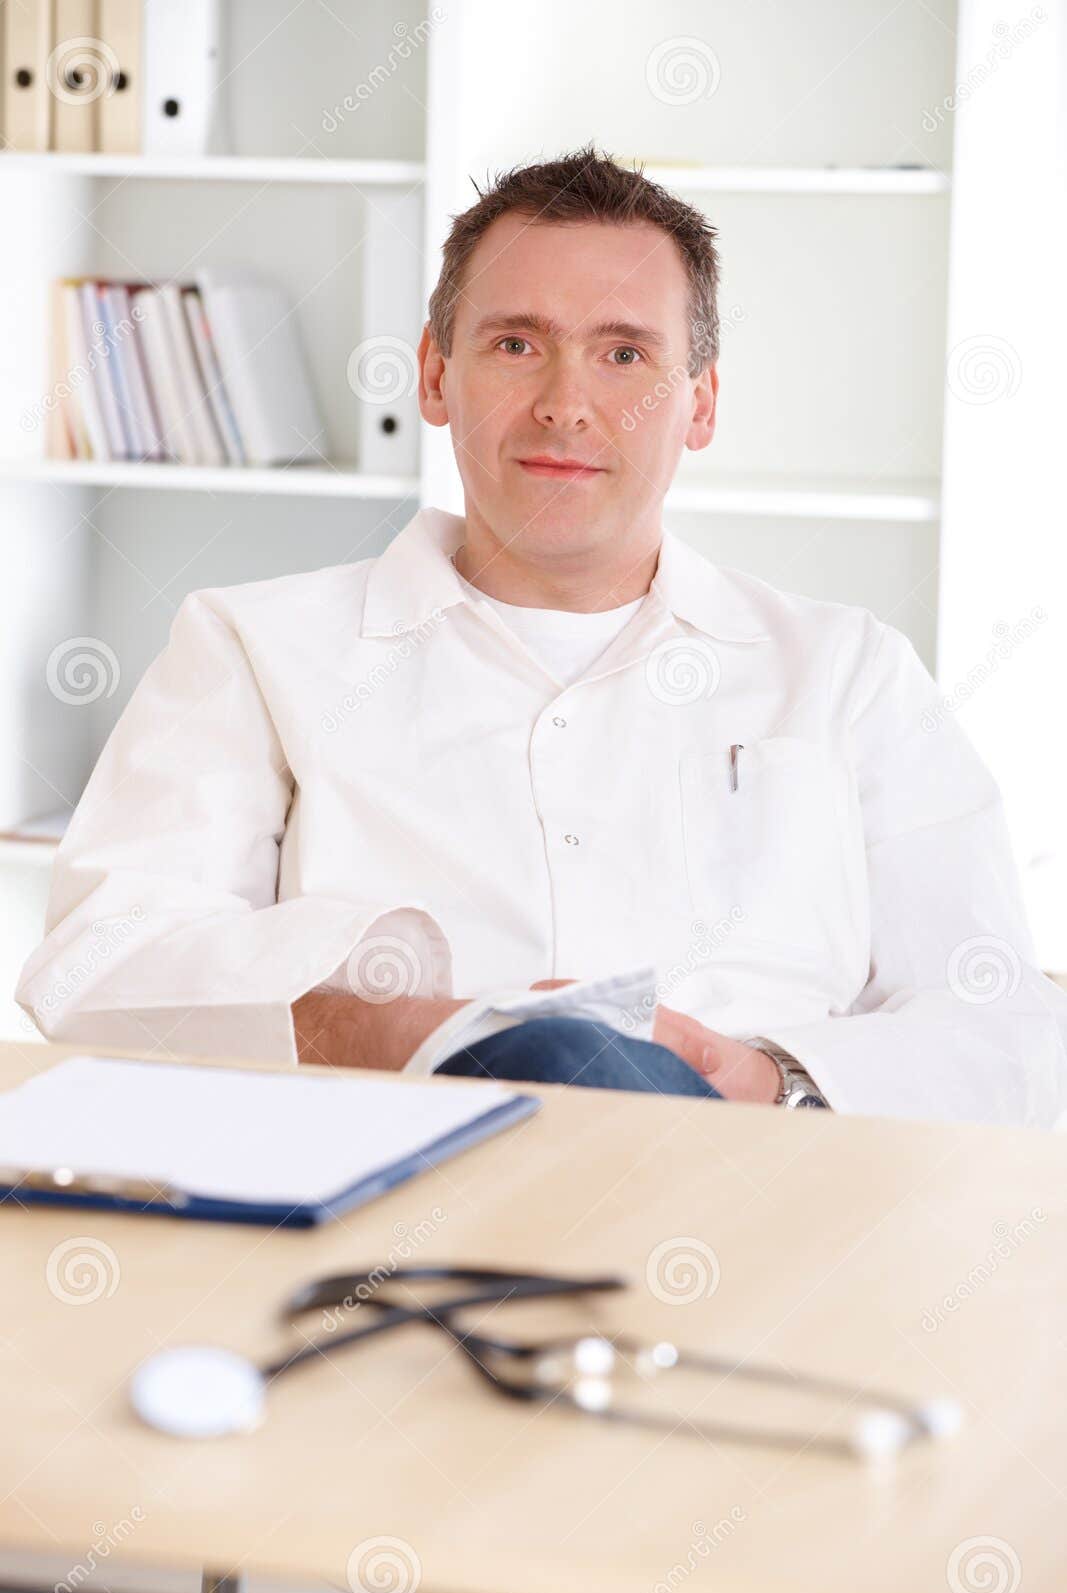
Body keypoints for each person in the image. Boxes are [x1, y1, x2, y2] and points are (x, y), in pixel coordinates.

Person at [16, 144, 1067, 1125]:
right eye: (516, 344)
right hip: (389, 1190)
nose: (566, 404)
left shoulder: (847, 672)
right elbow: (99, 966)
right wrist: (393, 1025)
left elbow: (999, 1024)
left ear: (697, 402)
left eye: (623, 355)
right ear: (434, 376)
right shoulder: (253, 646)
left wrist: (771, 1078)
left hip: (764, 1198)